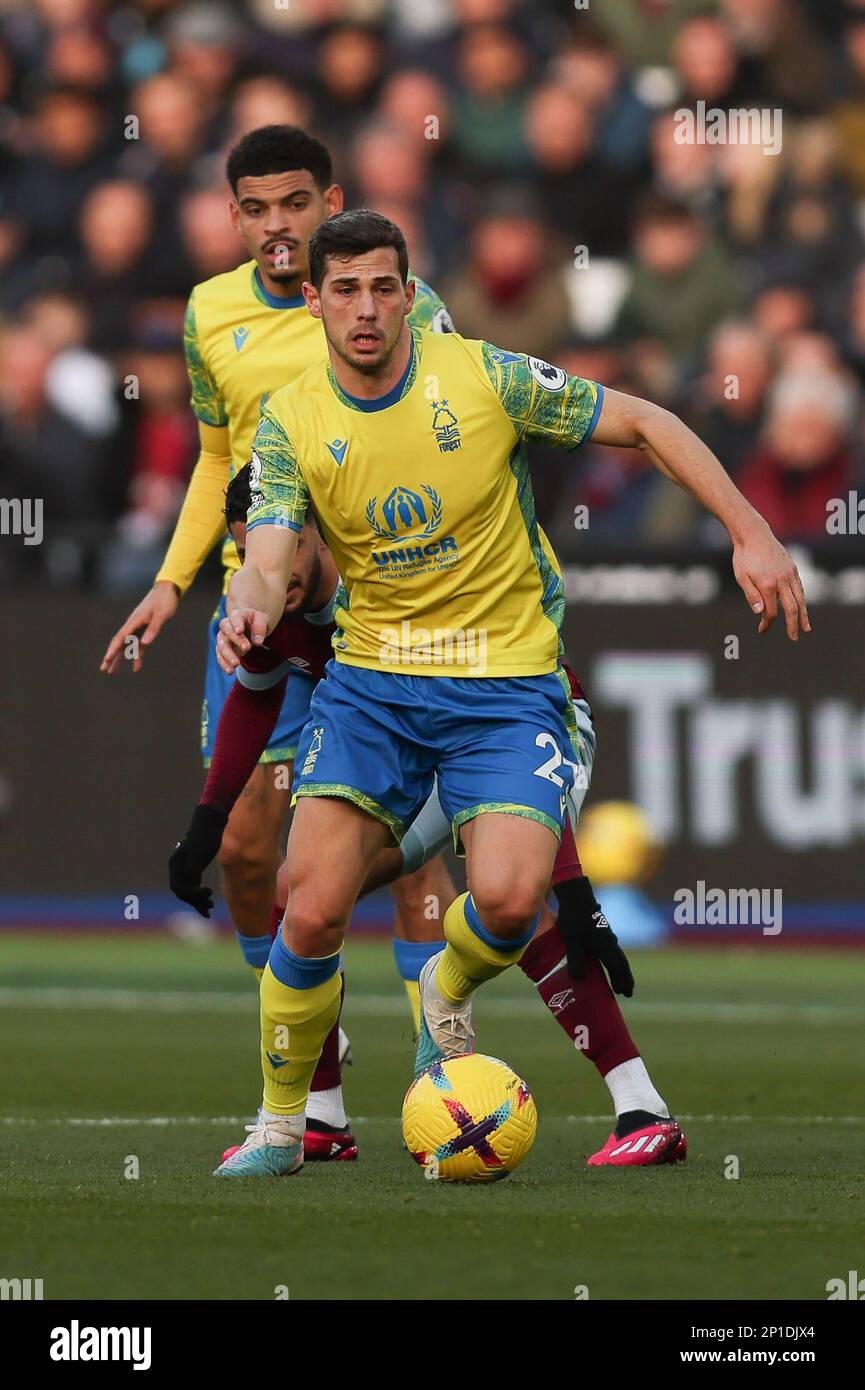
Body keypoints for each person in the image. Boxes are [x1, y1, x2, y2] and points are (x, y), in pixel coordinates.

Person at [214, 209, 809, 1177]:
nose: (365, 308)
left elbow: (646, 421)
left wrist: (749, 531)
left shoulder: (483, 376)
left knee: (505, 896)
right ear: (314, 301)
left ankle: (445, 990)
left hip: (504, 685)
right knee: (309, 906)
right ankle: (287, 1123)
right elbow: (271, 545)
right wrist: (246, 599)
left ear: (409, 294)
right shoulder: (290, 418)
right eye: (345, 289)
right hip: (372, 693)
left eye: (382, 287)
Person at [100, 126, 457, 1159]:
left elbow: (456, 431)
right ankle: (323, 1096)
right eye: (253, 209)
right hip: (257, 609)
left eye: (294, 204)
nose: (274, 227)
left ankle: (446, 1070)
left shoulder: (395, 300)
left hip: (380, 610)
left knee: (398, 852)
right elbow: (217, 462)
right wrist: (173, 582)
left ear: (330, 200)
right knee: (252, 851)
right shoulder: (211, 314)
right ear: (231, 216)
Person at [172, 464, 688, 1168]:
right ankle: (318, 1119)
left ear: (325, 531)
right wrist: (207, 822)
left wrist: (569, 880)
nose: (270, 571)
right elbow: (257, 692)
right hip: (417, 751)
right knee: (303, 894)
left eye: (284, 548)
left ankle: (641, 1108)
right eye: (247, 552)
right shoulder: (269, 597)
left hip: (520, 721)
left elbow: (506, 718)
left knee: (515, 898)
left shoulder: (393, 581)